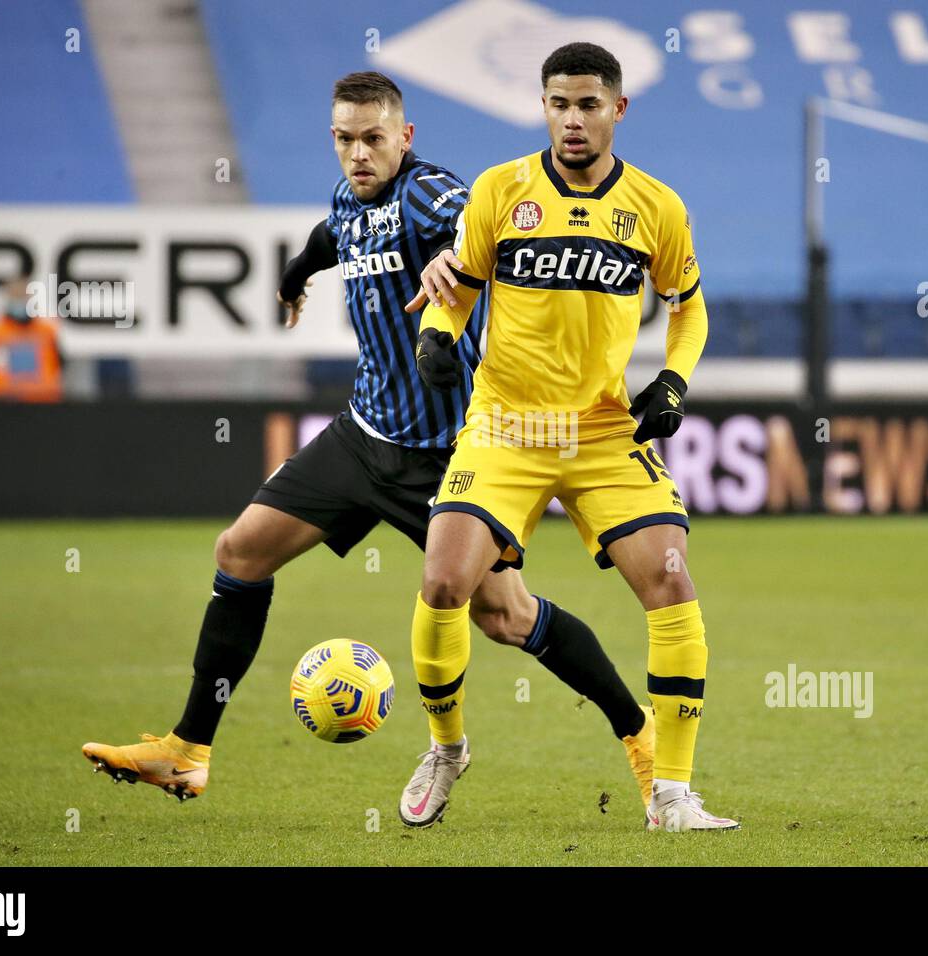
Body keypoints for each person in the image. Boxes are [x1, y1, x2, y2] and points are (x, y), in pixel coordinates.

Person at [81, 72, 655, 822]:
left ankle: (640, 737)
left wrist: (462, 265)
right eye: (345, 139)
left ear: (404, 137)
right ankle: (189, 752)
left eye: (373, 138)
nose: (358, 153)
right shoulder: (348, 198)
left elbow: (490, 226)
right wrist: (295, 276)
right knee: (240, 552)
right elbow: (332, 235)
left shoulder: (428, 195)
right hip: (363, 436)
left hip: (455, 455)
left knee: (504, 617)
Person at [401, 44, 738, 831]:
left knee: (671, 580)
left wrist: (676, 381)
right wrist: (437, 339)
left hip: (600, 430)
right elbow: (456, 288)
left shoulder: (657, 206)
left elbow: (688, 305)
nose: (573, 119)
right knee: (446, 584)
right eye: (559, 103)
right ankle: (447, 748)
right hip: (506, 425)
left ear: (619, 110)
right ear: (543, 107)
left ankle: (672, 795)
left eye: (588, 104)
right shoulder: (500, 190)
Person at [0, 276, 63, 402]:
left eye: (23, 296)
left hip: (43, 400)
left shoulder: (47, 330)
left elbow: (59, 362)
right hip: (5, 401)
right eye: (16, 296)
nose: (20, 301)